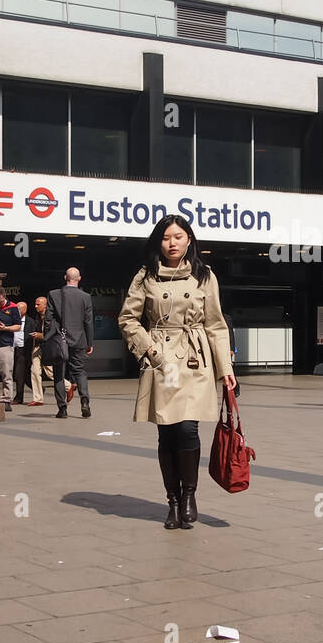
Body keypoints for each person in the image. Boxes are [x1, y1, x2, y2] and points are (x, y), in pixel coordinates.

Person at [118, 215, 234, 530]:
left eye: (178, 237)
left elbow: (215, 323)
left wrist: (225, 367)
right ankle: (172, 500)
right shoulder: (146, 276)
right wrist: (152, 352)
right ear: (159, 242)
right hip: (162, 361)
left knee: (188, 429)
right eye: (166, 237)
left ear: (189, 240)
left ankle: (189, 496)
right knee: (166, 432)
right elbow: (128, 319)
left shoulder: (204, 276)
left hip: (195, 359)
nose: (172, 243)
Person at [46, 268, 95, 419]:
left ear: (65, 277)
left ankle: (62, 408)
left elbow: (49, 319)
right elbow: (88, 321)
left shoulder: (54, 294)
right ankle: (84, 401)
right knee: (79, 371)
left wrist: (49, 337)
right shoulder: (85, 297)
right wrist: (89, 342)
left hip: (60, 340)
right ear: (79, 278)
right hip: (79, 339)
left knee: (59, 374)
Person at [24, 297, 48, 406]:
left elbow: (53, 333)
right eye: (35, 304)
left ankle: (68, 386)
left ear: (45, 305)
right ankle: (38, 398)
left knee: (50, 371)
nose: (36, 306)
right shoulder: (38, 317)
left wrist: (40, 335)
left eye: (38, 304)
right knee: (34, 371)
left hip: (49, 346)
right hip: (38, 347)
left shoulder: (51, 317)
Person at [11, 300, 30, 405]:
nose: (17, 311)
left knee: (19, 374)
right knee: (18, 374)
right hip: (12, 348)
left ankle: (19, 397)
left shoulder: (30, 321)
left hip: (23, 350)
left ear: (25, 310)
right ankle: (40, 388)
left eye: (19, 309)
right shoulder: (12, 320)